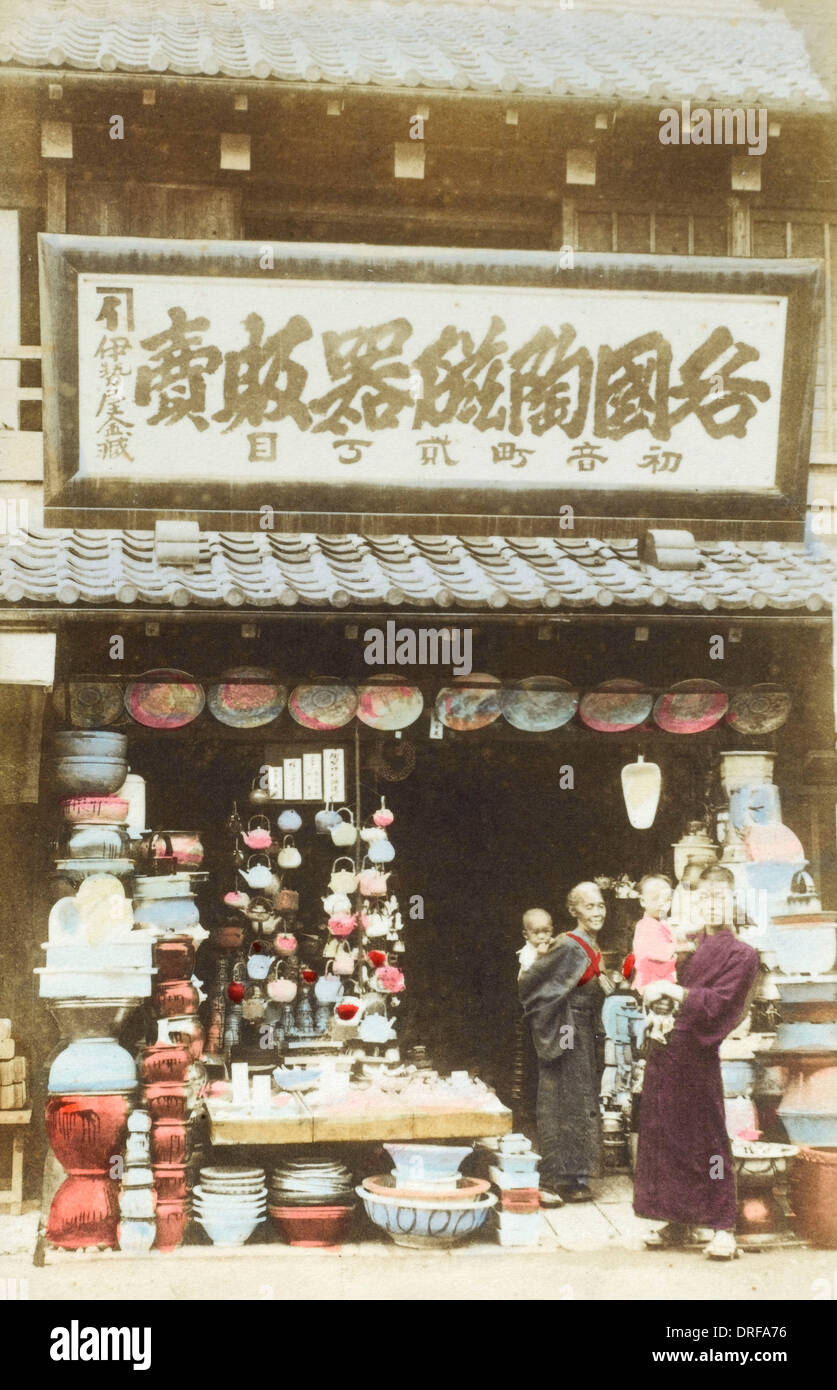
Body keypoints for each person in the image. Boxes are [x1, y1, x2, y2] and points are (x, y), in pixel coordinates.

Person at [632, 864, 761, 1260]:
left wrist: (676, 991)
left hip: (697, 1055)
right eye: (704, 898)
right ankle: (677, 1220)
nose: (712, 906)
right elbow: (649, 972)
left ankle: (723, 1225)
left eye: (719, 897)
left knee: (708, 1140)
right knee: (664, 1135)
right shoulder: (684, 945)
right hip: (665, 1049)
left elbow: (721, 1003)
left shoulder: (743, 954)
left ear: (733, 900)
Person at [518, 881, 606, 1207]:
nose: (596, 912)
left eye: (600, 906)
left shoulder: (590, 944)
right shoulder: (569, 945)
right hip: (567, 1029)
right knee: (565, 1094)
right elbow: (532, 982)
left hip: (583, 1028)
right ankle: (558, 1176)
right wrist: (562, 1034)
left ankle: (576, 1175)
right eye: (589, 906)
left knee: (579, 1097)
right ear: (574, 911)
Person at [517, 907, 555, 978]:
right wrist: (539, 956)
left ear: (551, 931)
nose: (542, 936)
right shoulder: (526, 952)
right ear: (526, 934)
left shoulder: (553, 942)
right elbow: (530, 974)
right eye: (536, 932)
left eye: (546, 931)